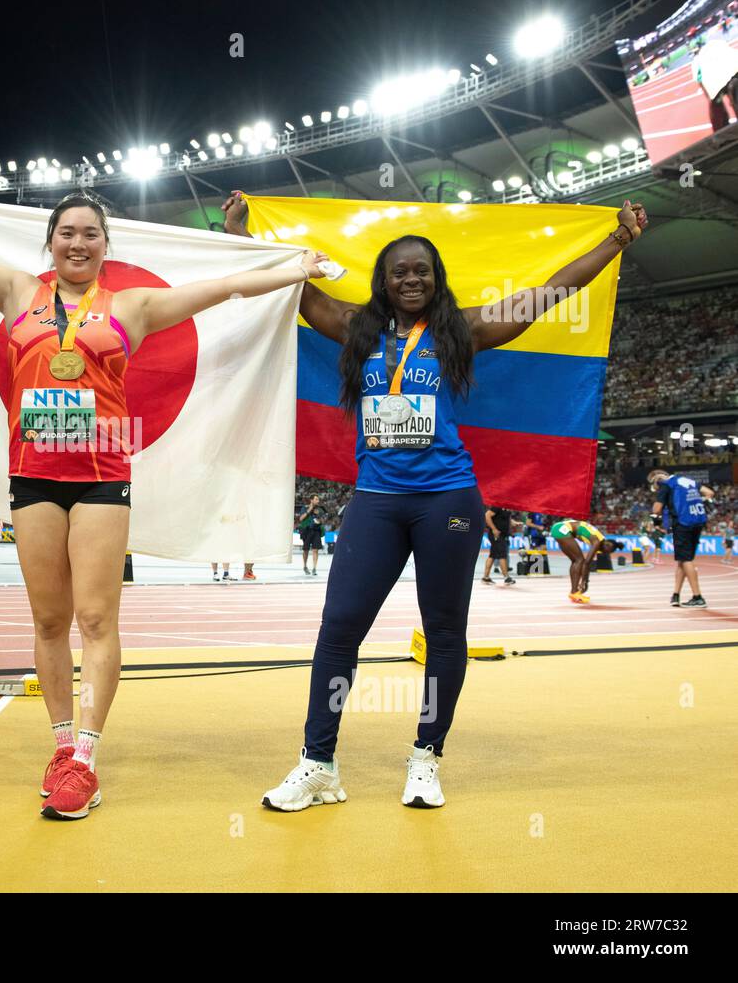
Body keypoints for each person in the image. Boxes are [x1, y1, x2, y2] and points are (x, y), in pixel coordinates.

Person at [222, 190, 649, 812]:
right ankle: (318, 764)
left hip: (448, 500)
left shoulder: (463, 330)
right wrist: (240, 234)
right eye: (401, 271)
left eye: (422, 269)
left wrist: (615, 242)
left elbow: (548, 292)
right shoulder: (353, 328)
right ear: (385, 281)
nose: (412, 278)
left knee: (445, 632)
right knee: (339, 629)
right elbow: (289, 286)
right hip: (375, 501)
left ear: (436, 278)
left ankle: (426, 757)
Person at [0, 190, 323, 819]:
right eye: (66, 232)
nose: (77, 243)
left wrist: (293, 268)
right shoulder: (16, 292)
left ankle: (87, 761)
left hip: (100, 475)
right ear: (49, 241)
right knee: (46, 622)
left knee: (94, 620)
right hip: (32, 474)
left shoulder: (133, 307)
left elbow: (223, 287)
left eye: (90, 234)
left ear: (105, 244)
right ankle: (61, 747)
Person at [649, 468, 713, 607]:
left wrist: (659, 498)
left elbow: (656, 510)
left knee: (685, 559)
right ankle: (676, 595)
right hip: (698, 521)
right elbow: (709, 493)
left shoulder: (666, 484)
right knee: (683, 560)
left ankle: (698, 597)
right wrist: (697, 503)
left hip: (683, 523)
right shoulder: (687, 480)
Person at [550, 519, 620, 603]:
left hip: (559, 528)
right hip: (562, 529)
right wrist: (585, 582)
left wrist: (585, 581)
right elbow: (587, 563)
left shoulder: (599, 539)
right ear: (607, 544)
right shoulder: (597, 541)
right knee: (580, 560)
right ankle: (574, 592)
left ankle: (573, 592)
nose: (604, 553)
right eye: (607, 551)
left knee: (575, 560)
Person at [481, 505, 516, 585]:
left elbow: (506, 519)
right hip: (496, 535)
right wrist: (494, 529)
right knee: (502, 555)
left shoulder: (507, 507)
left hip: (502, 535)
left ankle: (485, 577)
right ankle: (506, 577)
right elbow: (487, 516)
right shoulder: (498, 506)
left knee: (492, 555)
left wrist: (514, 523)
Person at [297, 495, 325, 575]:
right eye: (316, 499)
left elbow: (322, 520)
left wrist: (319, 518)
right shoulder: (304, 508)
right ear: (311, 500)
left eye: (318, 499)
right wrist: (309, 510)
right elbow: (301, 518)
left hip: (316, 531)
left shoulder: (320, 509)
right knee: (306, 549)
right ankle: (305, 566)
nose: (318, 501)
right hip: (306, 530)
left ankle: (314, 568)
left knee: (315, 549)